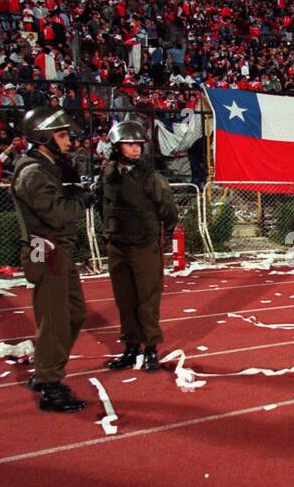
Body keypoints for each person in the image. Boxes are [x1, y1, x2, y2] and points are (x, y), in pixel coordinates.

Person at [12, 106, 92, 411]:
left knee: (73, 312)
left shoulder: (48, 166)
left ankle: (47, 367)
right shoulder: (34, 171)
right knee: (55, 318)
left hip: (56, 249)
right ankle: (49, 383)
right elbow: (56, 214)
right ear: (43, 136)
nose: (68, 140)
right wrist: (81, 200)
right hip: (47, 250)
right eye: (61, 135)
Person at [100, 118, 179, 372]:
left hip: (144, 246)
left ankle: (151, 348)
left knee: (147, 300)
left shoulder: (151, 178)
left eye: (138, 144)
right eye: (129, 144)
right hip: (118, 245)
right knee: (125, 300)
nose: (135, 149)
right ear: (116, 146)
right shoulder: (108, 174)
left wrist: (159, 238)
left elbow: (169, 211)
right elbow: (103, 207)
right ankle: (131, 347)